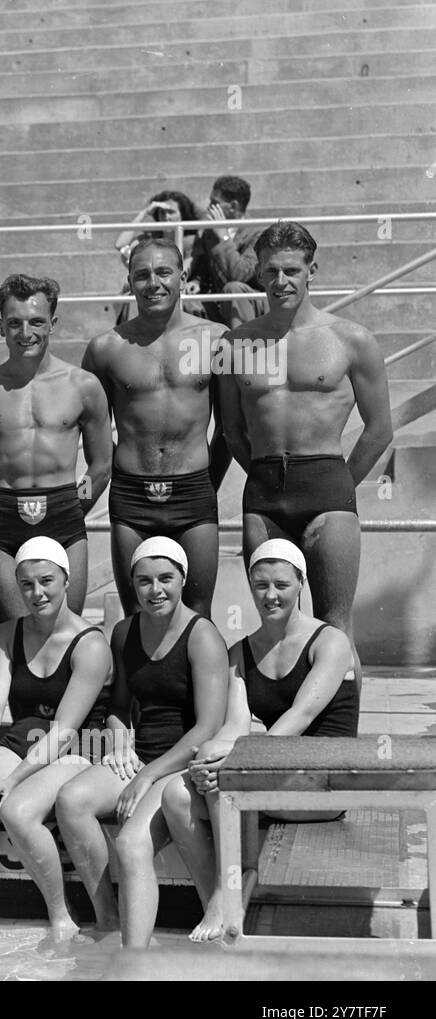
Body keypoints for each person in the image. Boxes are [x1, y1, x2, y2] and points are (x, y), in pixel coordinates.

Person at [164, 539, 359, 942]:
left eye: (281, 585)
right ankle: (212, 903)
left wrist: (233, 764)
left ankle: (225, 893)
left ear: (301, 584)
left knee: (227, 781)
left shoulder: (330, 642)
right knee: (176, 794)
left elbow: (298, 718)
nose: (270, 596)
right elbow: (235, 727)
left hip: (326, 781)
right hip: (272, 774)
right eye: (260, 585)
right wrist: (207, 761)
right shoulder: (241, 651)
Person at [217, 222, 392, 661]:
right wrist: (264, 473)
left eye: (292, 270)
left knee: (336, 628)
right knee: (273, 629)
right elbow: (232, 431)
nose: (281, 282)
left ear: (312, 270)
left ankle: (342, 730)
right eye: (271, 271)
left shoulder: (351, 340)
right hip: (263, 496)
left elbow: (379, 429)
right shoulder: (236, 343)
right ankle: (280, 729)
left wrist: (338, 483)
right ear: (258, 272)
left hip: (328, 489)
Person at [55, 538, 228, 948]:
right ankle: (108, 919)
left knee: (132, 842)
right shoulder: (123, 632)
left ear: (183, 579)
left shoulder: (203, 637)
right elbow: (117, 706)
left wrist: (147, 776)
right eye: (144, 581)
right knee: (70, 800)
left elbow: (208, 727)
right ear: (131, 584)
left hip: (183, 764)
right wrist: (119, 745)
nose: (156, 590)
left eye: (166, 578)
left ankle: (134, 961)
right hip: (142, 758)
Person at [0, 537, 112, 935]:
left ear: (67, 580)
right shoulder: (8, 635)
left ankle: (61, 917)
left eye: (46, 581)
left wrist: (13, 779)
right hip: (25, 740)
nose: (37, 593)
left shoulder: (90, 645)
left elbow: (65, 729)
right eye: (27, 584)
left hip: (78, 745)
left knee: (17, 811)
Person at [83, 239, 228, 616]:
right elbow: (94, 430)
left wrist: (207, 482)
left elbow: (229, 426)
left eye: (163, 272)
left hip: (193, 490)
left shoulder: (216, 339)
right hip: (131, 495)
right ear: (130, 281)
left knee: (198, 611)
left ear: (183, 277)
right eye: (142, 275)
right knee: (136, 612)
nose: (153, 283)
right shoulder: (105, 349)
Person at [0, 273, 112, 621]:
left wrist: (74, 505)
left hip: (66, 518)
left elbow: (101, 465)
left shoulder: (83, 385)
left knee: (66, 636)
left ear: (53, 324)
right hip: (5, 521)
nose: (25, 332)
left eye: (36, 322)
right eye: (14, 323)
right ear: (1, 326)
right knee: (14, 636)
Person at [110, 190, 200, 326]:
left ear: (182, 215)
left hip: (178, 289)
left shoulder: (190, 241)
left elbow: (181, 270)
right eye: (162, 213)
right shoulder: (150, 238)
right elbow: (120, 244)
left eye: (171, 212)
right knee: (132, 294)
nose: (166, 217)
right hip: (153, 289)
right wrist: (144, 214)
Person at [189, 175, 264, 327]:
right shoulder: (208, 231)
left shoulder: (258, 233)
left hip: (251, 304)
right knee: (187, 299)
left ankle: (242, 347)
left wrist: (223, 237)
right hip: (219, 302)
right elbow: (201, 270)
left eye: (215, 202)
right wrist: (196, 282)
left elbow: (240, 274)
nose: (209, 206)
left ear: (233, 206)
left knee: (233, 288)